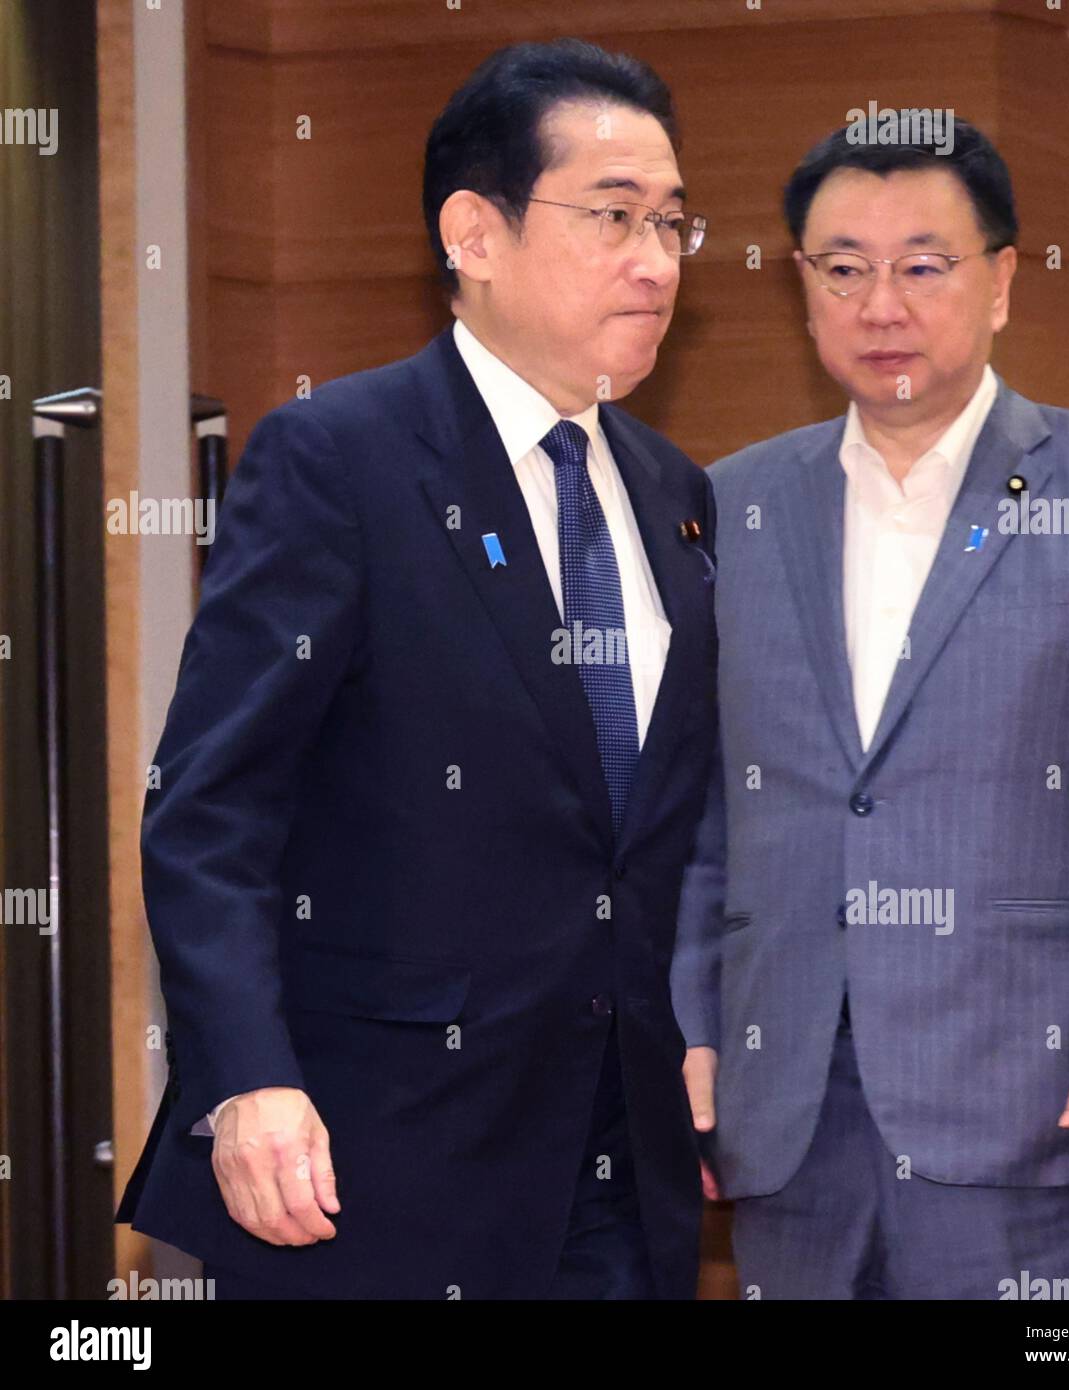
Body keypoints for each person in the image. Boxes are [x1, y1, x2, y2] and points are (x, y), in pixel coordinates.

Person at [116, 38, 718, 1300]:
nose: (656, 261)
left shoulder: (672, 494)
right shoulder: (341, 459)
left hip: (620, 1173)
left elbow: (663, 828)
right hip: (377, 1168)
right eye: (613, 217)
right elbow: (210, 810)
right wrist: (249, 1081)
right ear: (473, 232)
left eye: (671, 222)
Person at [672, 117, 1069, 1300]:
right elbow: (706, 810)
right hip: (791, 1113)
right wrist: (693, 1026)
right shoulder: (733, 502)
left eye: (923, 264)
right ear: (803, 290)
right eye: (843, 268)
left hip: (1035, 1106)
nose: (881, 305)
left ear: (1002, 280)